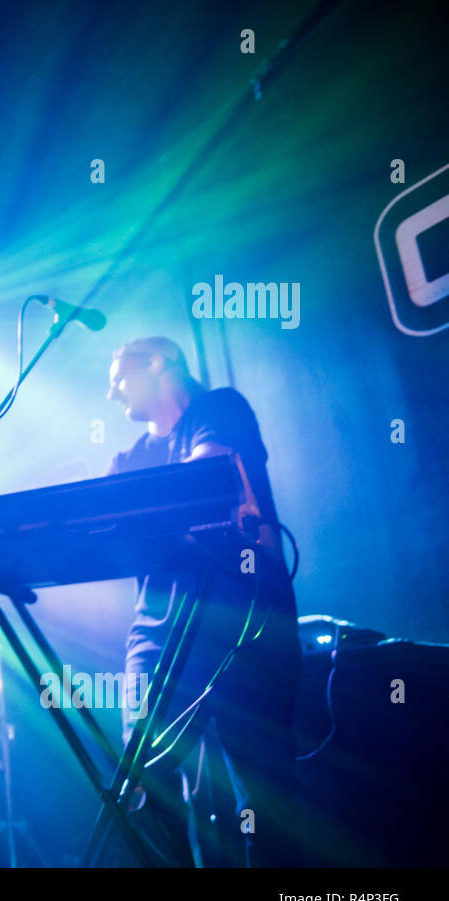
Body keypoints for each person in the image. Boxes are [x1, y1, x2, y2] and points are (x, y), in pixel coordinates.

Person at [105, 336, 301, 867]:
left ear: (158, 362)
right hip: (160, 631)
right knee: (142, 784)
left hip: (245, 623)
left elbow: (204, 483)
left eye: (118, 375)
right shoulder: (130, 456)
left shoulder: (219, 409)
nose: (110, 392)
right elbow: (110, 534)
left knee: (264, 799)